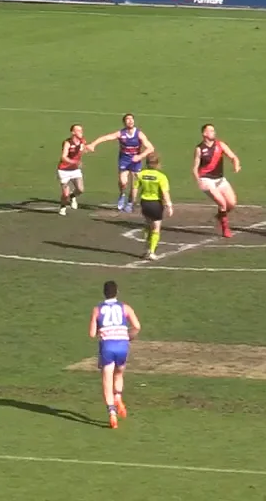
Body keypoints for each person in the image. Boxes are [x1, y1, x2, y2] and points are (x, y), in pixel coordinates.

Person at [87, 280, 141, 430]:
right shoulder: (125, 307)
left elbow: (91, 334)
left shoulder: (97, 309)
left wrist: (99, 329)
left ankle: (112, 413)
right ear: (117, 292)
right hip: (122, 346)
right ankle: (118, 397)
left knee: (107, 380)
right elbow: (137, 326)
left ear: (104, 293)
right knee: (119, 374)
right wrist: (128, 336)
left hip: (107, 346)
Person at [88, 114, 155, 213]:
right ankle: (122, 194)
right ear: (124, 122)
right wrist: (93, 144)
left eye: (131, 119)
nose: (130, 121)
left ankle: (130, 203)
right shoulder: (121, 133)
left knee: (134, 185)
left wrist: (140, 157)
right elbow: (106, 137)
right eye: (128, 119)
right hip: (124, 160)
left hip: (135, 161)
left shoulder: (139, 134)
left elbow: (151, 148)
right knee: (123, 182)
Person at [193, 124, 241, 238]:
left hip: (220, 179)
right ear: (204, 134)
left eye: (214, 131)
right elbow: (195, 168)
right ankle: (225, 228)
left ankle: (220, 216)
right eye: (211, 131)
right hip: (206, 179)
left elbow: (233, 157)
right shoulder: (199, 149)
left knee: (232, 204)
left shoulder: (220, 145)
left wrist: (236, 165)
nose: (214, 132)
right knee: (222, 203)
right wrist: (198, 180)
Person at [135, 152, 173, 261]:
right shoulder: (161, 176)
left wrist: (132, 202)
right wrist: (169, 205)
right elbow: (165, 192)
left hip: (144, 202)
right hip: (156, 204)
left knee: (148, 225)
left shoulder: (140, 174)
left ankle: (146, 249)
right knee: (156, 228)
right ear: (157, 164)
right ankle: (151, 251)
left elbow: (135, 189)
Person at [57, 124, 89, 216]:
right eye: (78, 130)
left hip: (75, 170)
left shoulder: (83, 141)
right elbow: (63, 157)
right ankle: (63, 207)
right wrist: (74, 162)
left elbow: (83, 149)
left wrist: (87, 149)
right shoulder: (68, 143)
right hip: (64, 170)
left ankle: (73, 196)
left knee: (80, 189)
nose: (81, 132)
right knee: (65, 194)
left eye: (81, 130)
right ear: (73, 132)